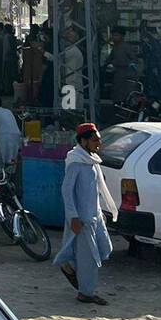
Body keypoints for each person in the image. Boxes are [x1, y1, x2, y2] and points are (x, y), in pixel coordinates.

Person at [53, 122, 115, 306]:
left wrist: (101, 211)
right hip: (82, 219)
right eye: (94, 140)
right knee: (89, 259)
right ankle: (86, 293)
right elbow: (66, 190)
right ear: (83, 141)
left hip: (95, 216)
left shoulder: (92, 161)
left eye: (99, 140)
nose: (98, 143)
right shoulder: (75, 162)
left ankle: (68, 266)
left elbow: (95, 190)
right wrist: (73, 217)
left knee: (105, 249)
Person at [106, 26, 139, 104]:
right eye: (113, 35)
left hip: (127, 78)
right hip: (118, 76)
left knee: (127, 100)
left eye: (116, 35)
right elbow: (109, 60)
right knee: (118, 99)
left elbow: (135, 61)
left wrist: (121, 63)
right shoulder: (115, 47)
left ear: (122, 36)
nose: (114, 37)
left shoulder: (126, 47)